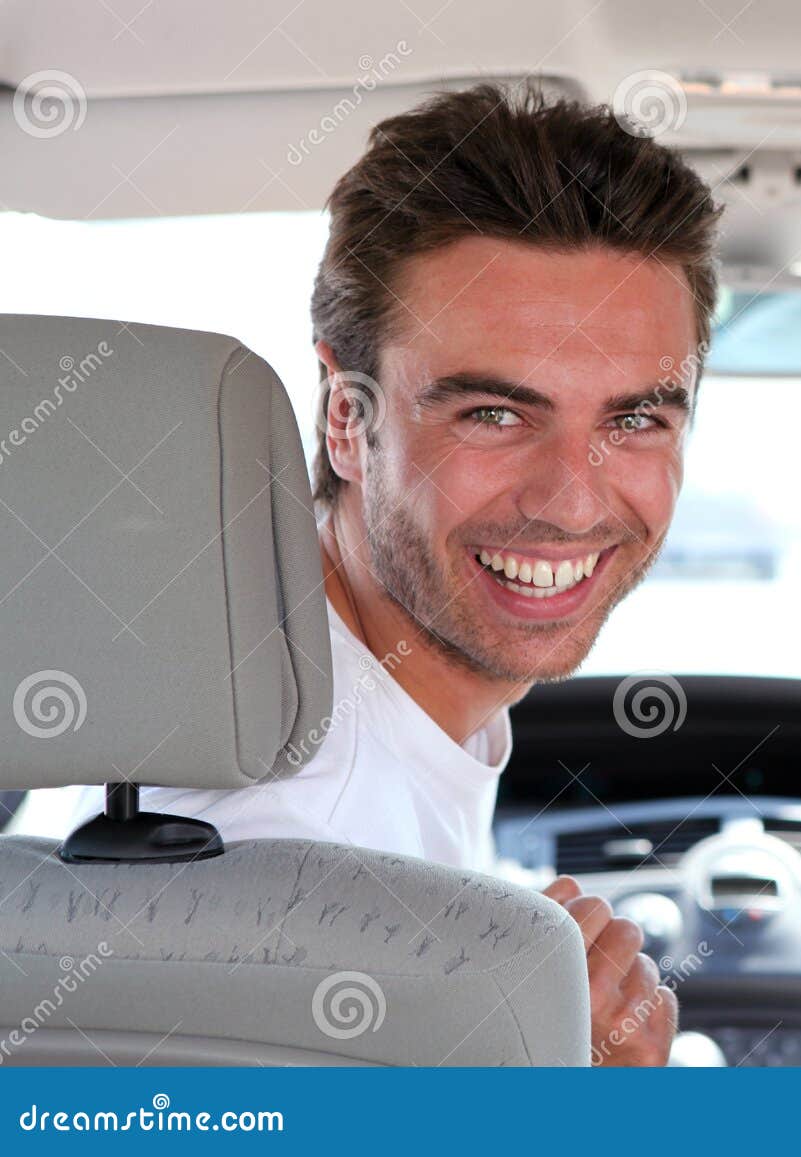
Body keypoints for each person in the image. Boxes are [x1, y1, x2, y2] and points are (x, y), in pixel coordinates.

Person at [25, 82, 721, 1066]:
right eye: (493, 413)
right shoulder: (287, 838)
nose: (572, 499)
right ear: (346, 418)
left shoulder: (258, 677)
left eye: (634, 418)